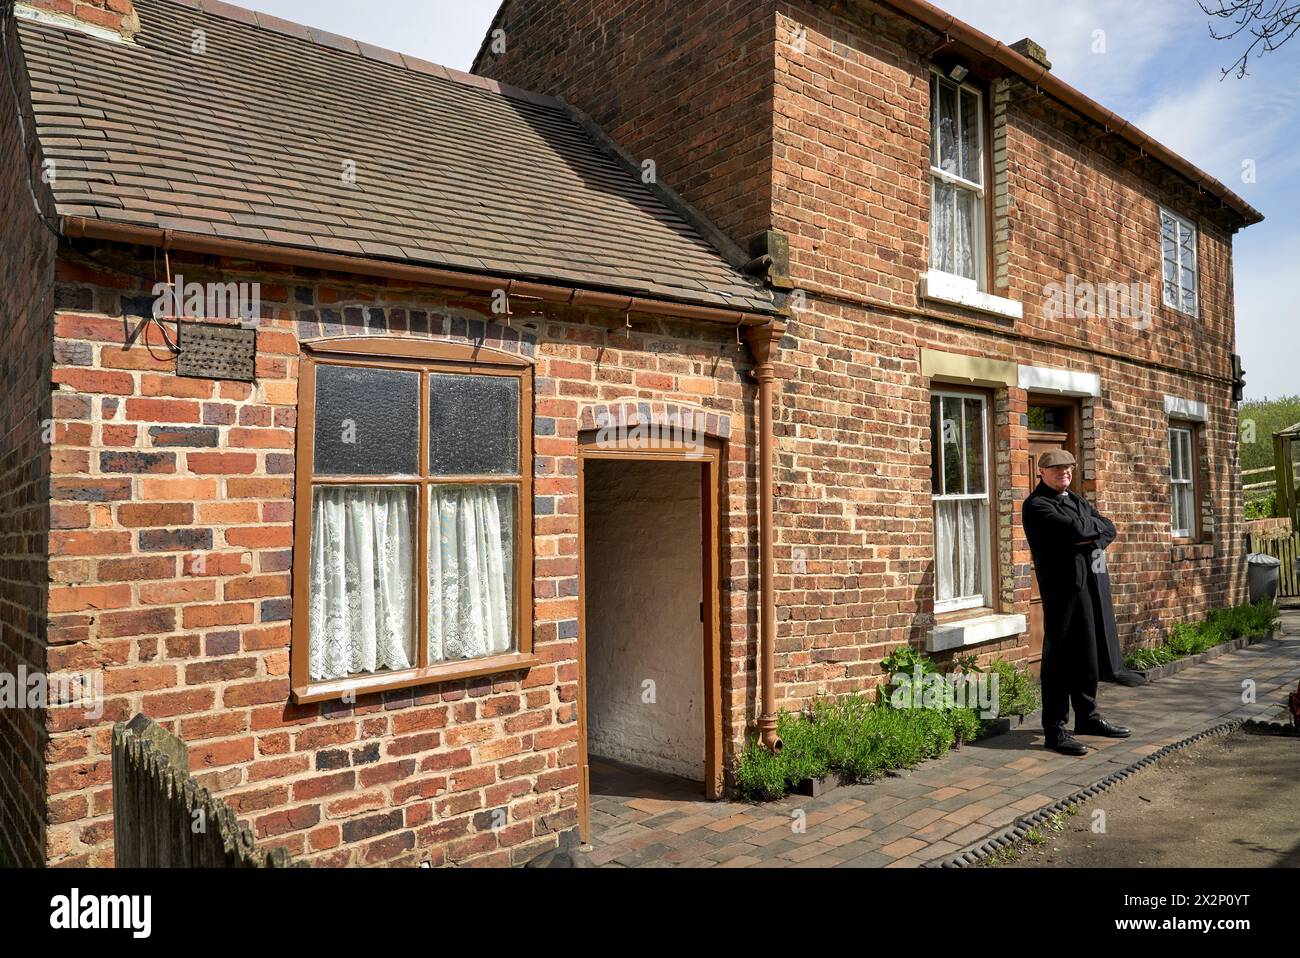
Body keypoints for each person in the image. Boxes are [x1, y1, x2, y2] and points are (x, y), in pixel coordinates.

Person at [1022, 450, 1134, 756]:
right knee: (1059, 659)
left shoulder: (1075, 500)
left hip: (1089, 586)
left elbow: (1107, 527)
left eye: (1069, 468)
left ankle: (1087, 717)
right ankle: (1055, 730)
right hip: (1061, 593)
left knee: (1087, 654)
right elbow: (1075, 530)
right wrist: (1087, 531)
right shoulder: (1036, 505)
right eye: (1057, 469)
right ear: (1042, 472)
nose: (1064, 473)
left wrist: (1089, 534)